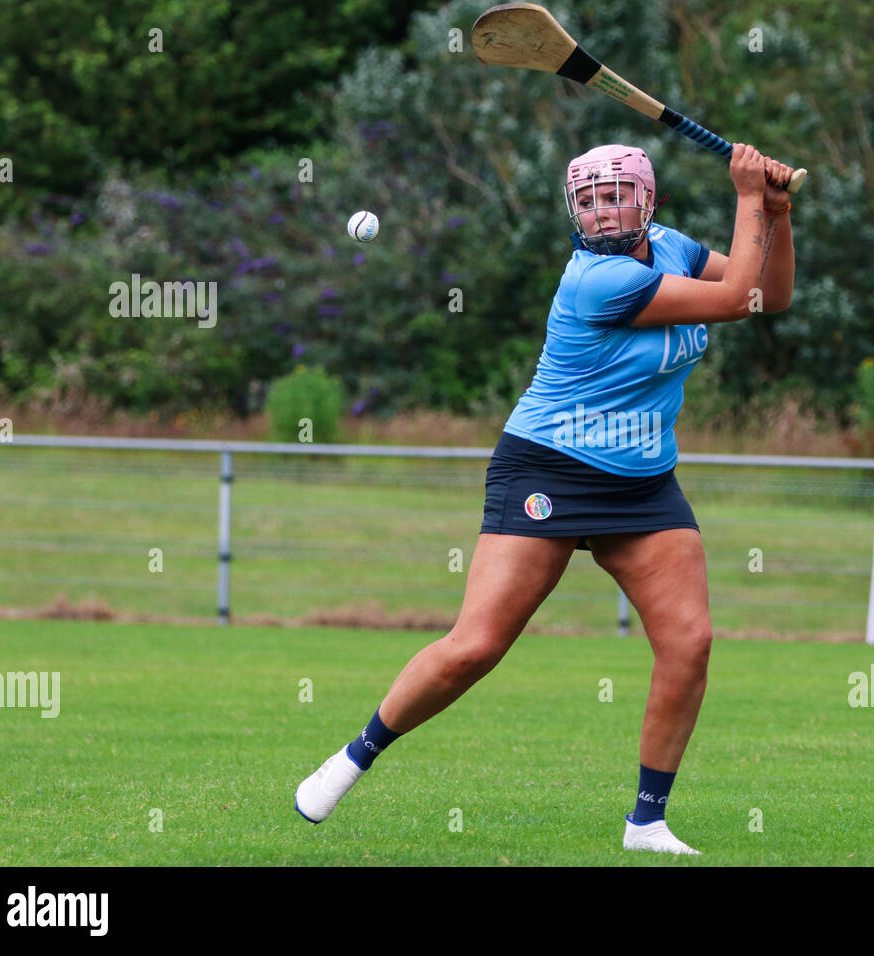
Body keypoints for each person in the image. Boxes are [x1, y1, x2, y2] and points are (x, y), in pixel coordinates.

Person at [296, 142, 796, 855]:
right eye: (587, 201)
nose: (600, 212)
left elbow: (769, 293)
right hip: (549, 468)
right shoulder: (598, 281)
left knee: (689, 643)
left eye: (615, 195)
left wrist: (777, 214)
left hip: (643, 480)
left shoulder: (675, 249)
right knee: (476, 647)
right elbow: (734, 302)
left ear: (646, 201)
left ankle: (646, 823)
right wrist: (750, 197)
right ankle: (353, 757)